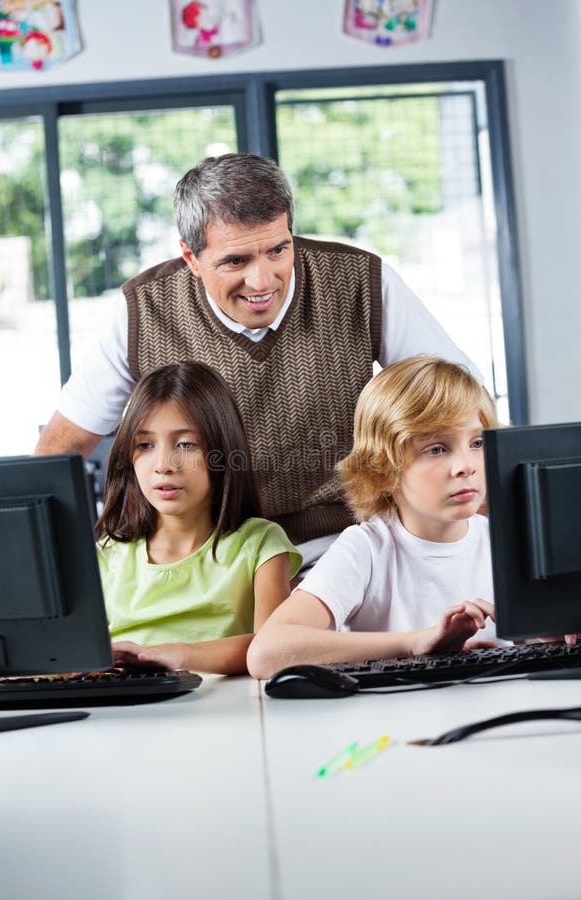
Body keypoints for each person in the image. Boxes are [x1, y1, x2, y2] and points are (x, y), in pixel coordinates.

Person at [35, 152, 483, 565]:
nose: (262, 279)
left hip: (351, 541)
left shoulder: (362, 281)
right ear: (191, 256)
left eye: (278, 250)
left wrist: (482, 549)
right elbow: (57, 454)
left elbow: (469, 406)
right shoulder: (142, 309)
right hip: (214, 554)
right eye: (236, 261)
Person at [247, 356, 503, 680]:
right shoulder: (366, 549)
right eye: (437, 449)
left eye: (477, 443)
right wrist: (415, 644)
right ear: (382, 471)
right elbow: (265, 653)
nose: (466, 465)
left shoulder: (507, 541)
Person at [96, 361, 301, 675]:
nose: (163, 464)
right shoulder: (107, 555)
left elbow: (273, 647)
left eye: (185, 444)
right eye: (145, 445)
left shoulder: (260, 544)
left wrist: (181, 655)